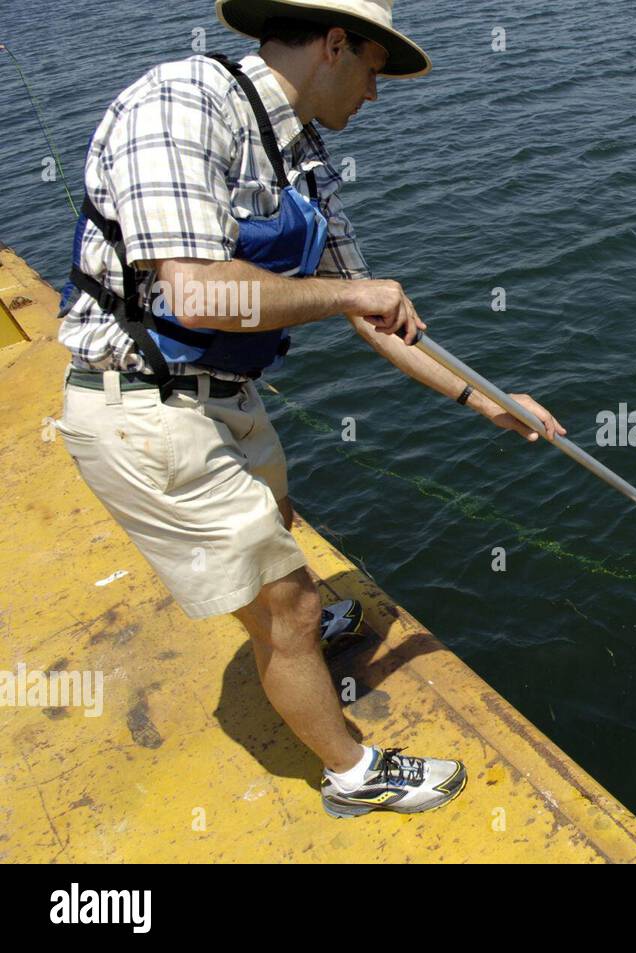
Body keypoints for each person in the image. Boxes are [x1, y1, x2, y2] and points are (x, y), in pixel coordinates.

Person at [55, 0, 566, 818]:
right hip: (142, 409)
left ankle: (292, 634)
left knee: (279, 534)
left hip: (223, 398)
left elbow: (379, 316)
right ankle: (352, 771)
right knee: (288, 605)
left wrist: (491, 402)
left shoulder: (301, 156)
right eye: (374, 68)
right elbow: (198, 289)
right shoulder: (180, 102)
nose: (376, 91)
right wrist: (349, 292)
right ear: (335, 44)